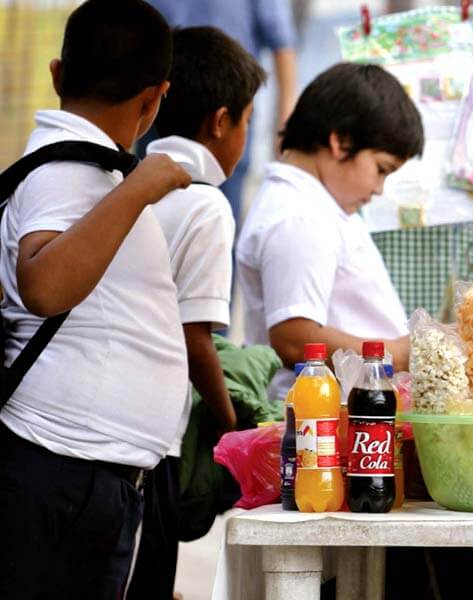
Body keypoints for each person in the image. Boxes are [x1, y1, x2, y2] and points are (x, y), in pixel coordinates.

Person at [0, 0, 191, 596]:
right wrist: (139, 190)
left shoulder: (94, 174)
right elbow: (46, 287)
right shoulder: (62, 173)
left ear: (58, 74)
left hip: (85, 475)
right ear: (155, 98)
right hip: (56, 470)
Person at [126, 26, 266, 600]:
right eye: (248, 123)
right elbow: (194, 336)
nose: (245, 139)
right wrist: (232, 422)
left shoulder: (128, 181)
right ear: (220, 120)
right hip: (147, 439)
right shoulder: (206, 205)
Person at [236, 62, 422, 398]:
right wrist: (399, 354)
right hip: (318, 428)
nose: (379, 188)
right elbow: (294, 339)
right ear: (340, 141)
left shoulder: (318, 205)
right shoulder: (299, 217)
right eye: (381, 169)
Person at [145, 0, 298, 226]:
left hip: (228, 103)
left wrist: (286, 116)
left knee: (224, 204)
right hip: (160, 108)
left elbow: (282, 41)